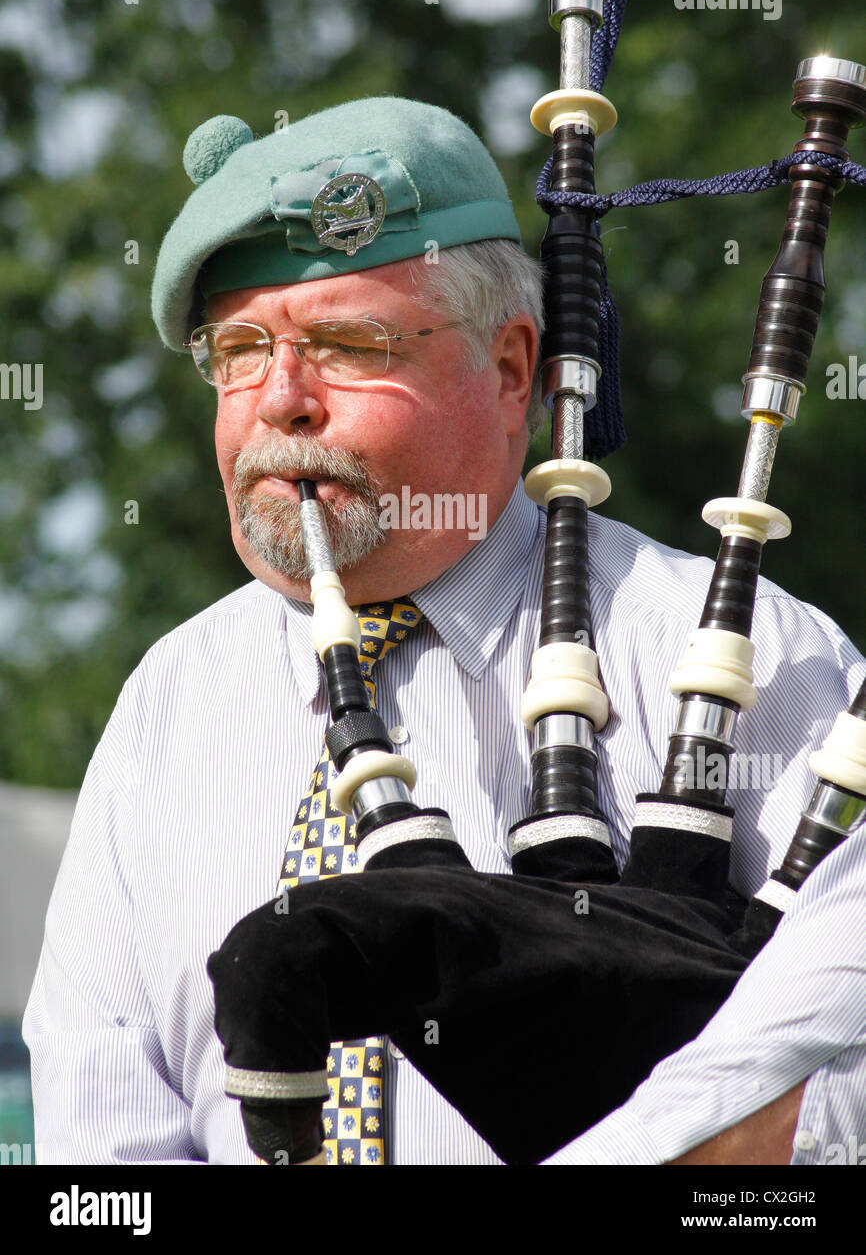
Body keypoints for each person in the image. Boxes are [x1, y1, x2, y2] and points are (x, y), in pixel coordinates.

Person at [24, 97, 866, 1165]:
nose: (281, 398)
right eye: (237, 349)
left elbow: (844, 1079)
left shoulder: (746, 655)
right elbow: (101, 1147)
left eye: (344, 342)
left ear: (510, 368)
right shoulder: (172, 697)